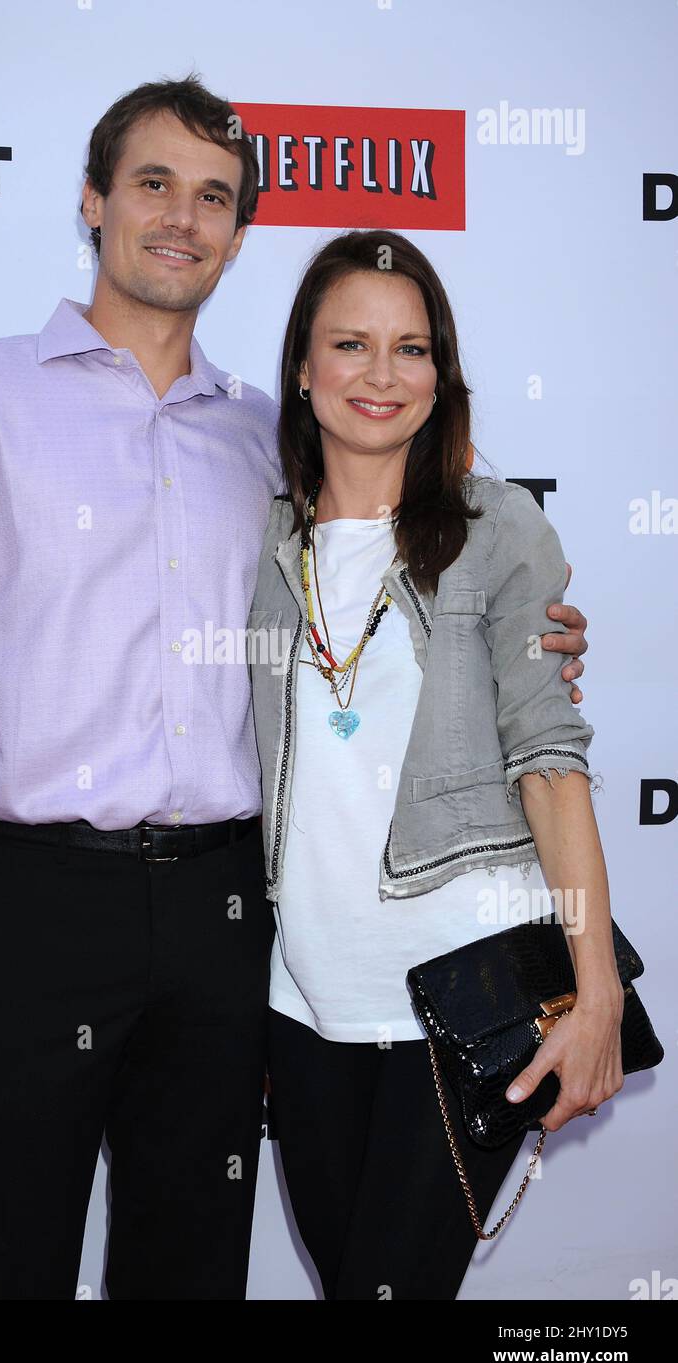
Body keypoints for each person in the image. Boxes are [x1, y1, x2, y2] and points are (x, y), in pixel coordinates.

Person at [0, 73, 590, 1303]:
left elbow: (413, 584)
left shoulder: (271, 437)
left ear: (240, 234)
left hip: (230, 913)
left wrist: (535, 629)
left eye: (214, 198)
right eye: (152, 185)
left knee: (189, 1266)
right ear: (91, 201)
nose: (181, 219)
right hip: (36, 906)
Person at [245, 229, 623, 1300]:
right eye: (350, 344)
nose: (379, 375)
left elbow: (550, 765)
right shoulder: (257, 536)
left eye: (410, 349)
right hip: (305, 999)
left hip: (469, 995)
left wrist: (590, 994)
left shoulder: (496, 530)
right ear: (302, 368)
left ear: (440, 374)